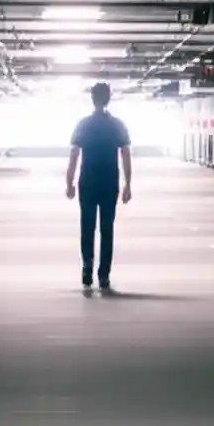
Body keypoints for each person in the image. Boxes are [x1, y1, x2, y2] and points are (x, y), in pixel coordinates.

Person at [65, 82, 132, 290]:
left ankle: (87, 267)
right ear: (108, 98)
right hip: (109, 182)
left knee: (87, 226)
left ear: (92, 99)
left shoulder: (83, 124)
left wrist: (70, 182)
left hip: (88, 182)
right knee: (107, 228)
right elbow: (126, 154)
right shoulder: (117, 125)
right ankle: (104, 275)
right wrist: (127, 184)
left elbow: (74, 154)